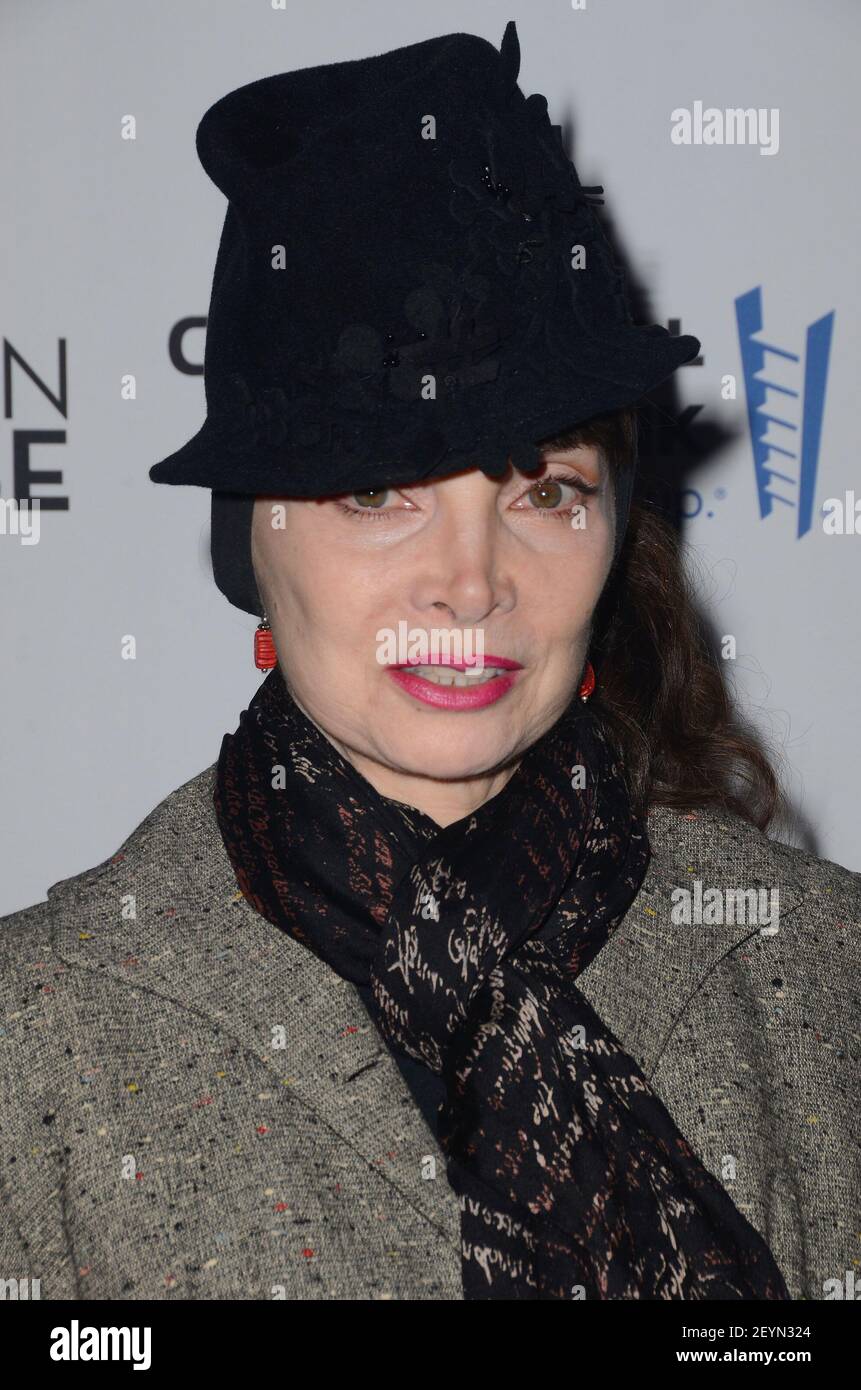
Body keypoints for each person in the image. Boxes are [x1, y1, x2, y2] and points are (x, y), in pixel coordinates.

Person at [1, 21, 857, 1303]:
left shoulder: (821, 976)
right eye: (380, 493)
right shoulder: (39, 1035)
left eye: (548, 492)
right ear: (254, 538)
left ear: (620, 528)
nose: (472, 580)